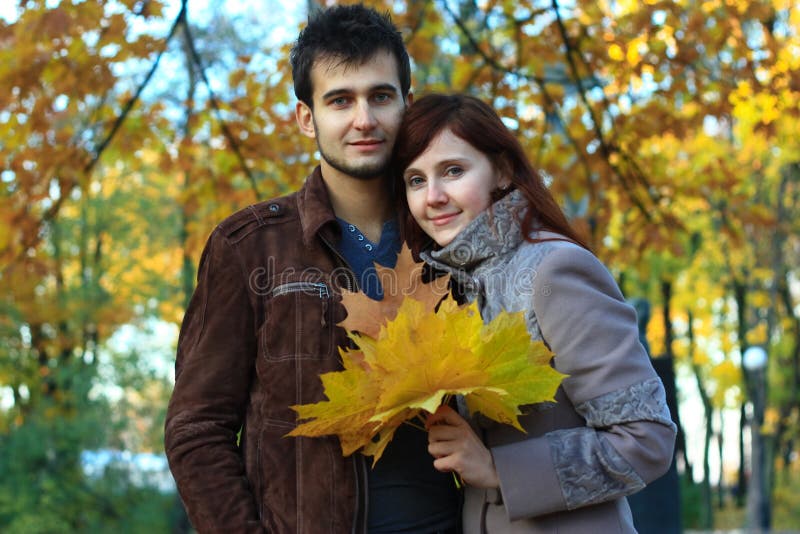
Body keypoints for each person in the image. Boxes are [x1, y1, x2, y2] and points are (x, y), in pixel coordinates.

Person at [165, 7, 461, 533]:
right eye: (340, 100)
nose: (364, 119)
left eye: (381, 96)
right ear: (307, 117)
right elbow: (197, 429)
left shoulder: (449, 237)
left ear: (406, 106)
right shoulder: (250, 248)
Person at [392, 94, 677, 533]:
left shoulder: (555, 269)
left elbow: (646, 439)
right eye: (415, 179)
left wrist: (497, 469)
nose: (433, 196)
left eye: (453, 171)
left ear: (502, 171)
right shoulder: (449, 290)